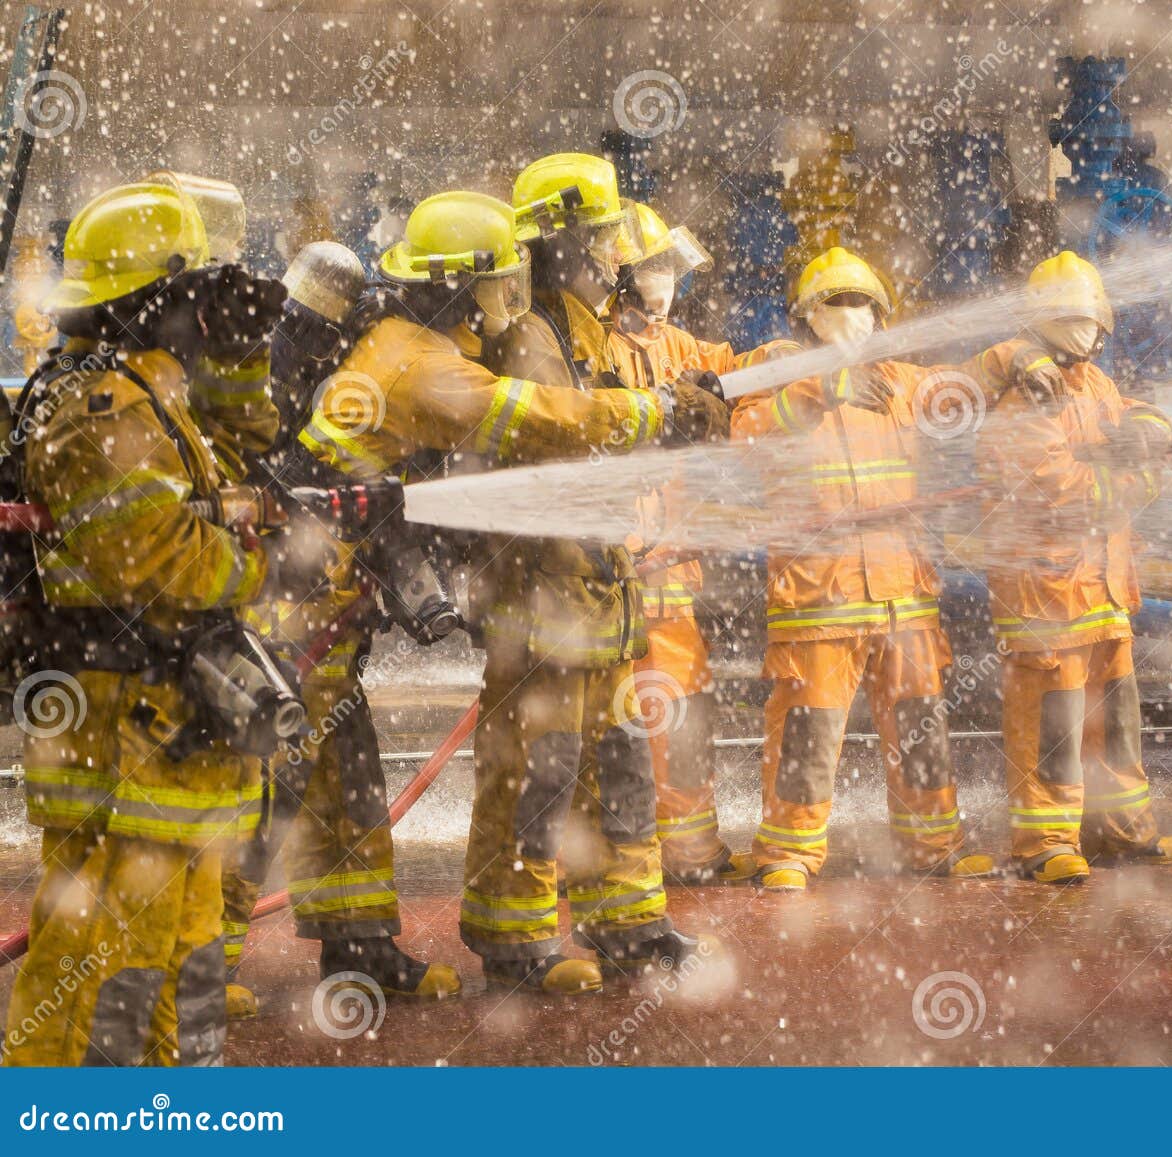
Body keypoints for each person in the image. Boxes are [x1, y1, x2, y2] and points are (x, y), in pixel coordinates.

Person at [3, 178, 296, 1065]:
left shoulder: (148, 389)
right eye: (200, 292)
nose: (209, 309)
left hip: (166, 732)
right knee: (100, 955)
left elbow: (248, 453)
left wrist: (243, 356)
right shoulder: (99, 408)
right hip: (119, 728)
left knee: (185, 939)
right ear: (154, 296)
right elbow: (160, 560)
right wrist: (269, 558)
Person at [453, 153, 730, 989]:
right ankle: (517, 940)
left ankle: (631, 922)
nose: (616, 251)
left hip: (596, 599)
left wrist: (682, 415)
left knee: (618, 771)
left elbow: (617, 433)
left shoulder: (589, 333)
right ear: (563, 241)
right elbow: (565, 427)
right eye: (603, 234)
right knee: (538, 776)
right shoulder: (531, 335)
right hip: (541, 605)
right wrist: (655, 412)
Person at [219, 240, 463, 1019]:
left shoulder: (325, 383)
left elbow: (355, 495)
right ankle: (199, 958)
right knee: (257, 799)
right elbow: (288, 487)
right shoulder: (264, 386)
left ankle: (360, 947)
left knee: (351, 790)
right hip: (275, 636)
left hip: (326, 639)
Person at [730, 246, 995, 891]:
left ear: (881, 318)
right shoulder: (782, 381)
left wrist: (1025, 356)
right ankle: (788, 853)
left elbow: (979, 386)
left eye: (865, 305)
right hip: (820, 596)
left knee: (920, 723)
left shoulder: (903, 384)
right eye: (837, 303)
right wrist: (823, 391)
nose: (854, 316)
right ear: (809, 319)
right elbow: (747, 441)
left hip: (904, 595)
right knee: (809, 730)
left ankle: (934, 844)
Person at [967, 250, 1172, 884]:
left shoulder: (1094, 383)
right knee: (1054, 727)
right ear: (1044, 321)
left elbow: (1130, 412)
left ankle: (1120, 830)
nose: (1093, 331)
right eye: (1078, 318)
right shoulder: (1026, 397)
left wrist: (1155, 428)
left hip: (1102, 592)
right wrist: (1147, 476)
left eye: (1097, 318)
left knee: (1115, 720)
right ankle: (1044, 842)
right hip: (1046, 596)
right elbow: (1061, 491)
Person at [605, 203, 775, 883]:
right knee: (610, 727)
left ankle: (691, 852)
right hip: (609, 583)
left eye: (670, 269)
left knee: (683, 717)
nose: (663, 283)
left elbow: (743, 371)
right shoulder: (593, 349)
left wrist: (793, 355)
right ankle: (606, 857)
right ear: (617, 275)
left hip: (669, 586)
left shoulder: (682, 350)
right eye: (649, 269)